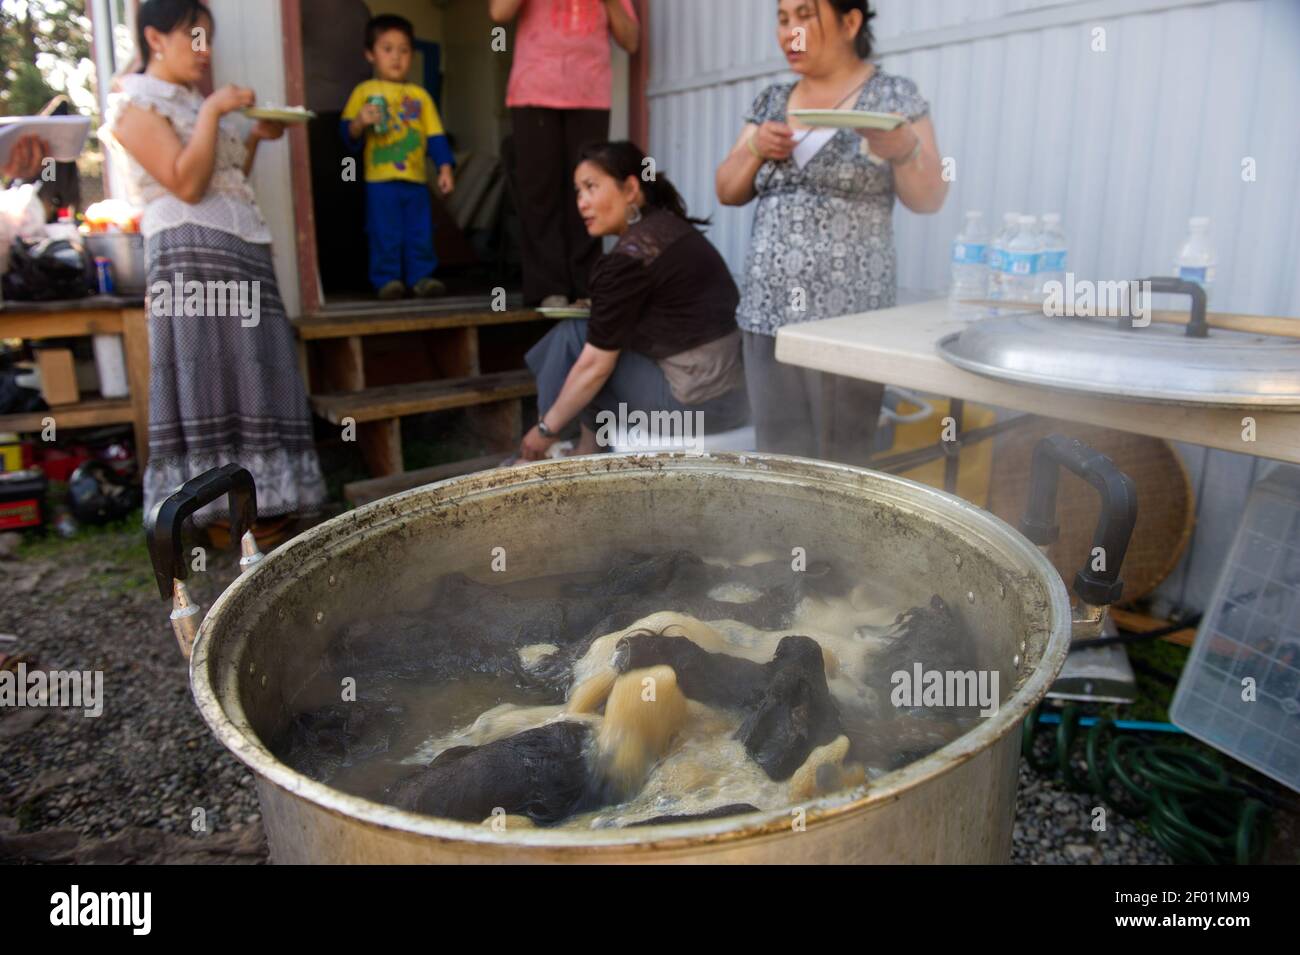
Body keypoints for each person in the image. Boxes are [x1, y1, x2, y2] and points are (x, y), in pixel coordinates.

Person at [101, 0, 326, 528]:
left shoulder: (187, 101)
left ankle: (264, 503)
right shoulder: (134, 105)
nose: (204, 52)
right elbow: (185, 182)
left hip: (239, 246)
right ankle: (218, 512)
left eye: (208, 39)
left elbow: (221, 175)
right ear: (155, 38)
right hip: (191, 258)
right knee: (211, 378)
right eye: (192, 38)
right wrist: (213, 111)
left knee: (254, 370)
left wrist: (251, 138)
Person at [715, 0, 947, 465]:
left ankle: (833, 541)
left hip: (851, 319)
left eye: (804, 15)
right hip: (769, 315)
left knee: (844, 459)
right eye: (782, 19)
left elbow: (929, 198)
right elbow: (726, 189)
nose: (789, 32)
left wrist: (906, 151)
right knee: (779, 459)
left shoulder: (892, 97)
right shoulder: (771, 102)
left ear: (850, 21)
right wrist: (756, 147)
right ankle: (780, 541)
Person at [519, 142, 749, 460]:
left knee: (576, 341)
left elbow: (595, 367)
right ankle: (588, 448)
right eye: (578, 191)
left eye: (591, 187)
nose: (581, 203)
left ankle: (539, 452)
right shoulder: (670, 229)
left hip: (693, 409)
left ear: (630, 188)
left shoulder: (630, 258)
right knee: (587, 339)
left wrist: (544, 430)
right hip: (733, 400)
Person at [488, 0, 639, 308]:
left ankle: (587, 287)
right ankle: (548, 288)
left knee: (590, 190)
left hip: (590, 94)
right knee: (539, 191)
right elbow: (499, 13)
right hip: (534, 91)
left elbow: (631, 40)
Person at [341, 14, 456, 300]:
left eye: (404, 50)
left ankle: (422, 278)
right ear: (370, 54)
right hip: (379, 181)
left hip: (415, 180)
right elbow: (346, 135)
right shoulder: (363, 92)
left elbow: (435, 137)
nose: (396, 57)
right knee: (384, 232)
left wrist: (444, 167)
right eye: (387, 49)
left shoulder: (420, 96)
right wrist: (359, 123)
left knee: (420, 231)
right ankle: (387, 280)